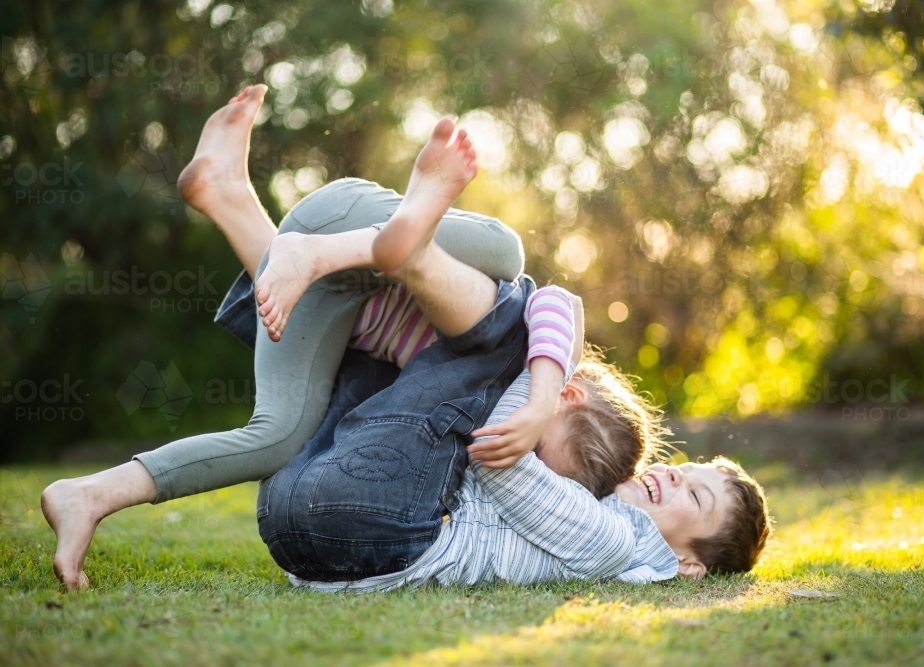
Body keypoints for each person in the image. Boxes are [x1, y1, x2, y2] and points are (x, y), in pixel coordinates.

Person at [39, 85, 666, 589]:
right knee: (510, 256)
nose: (515, 449)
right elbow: (559, 302)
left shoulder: (458, 393)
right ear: (572, 398)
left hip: (331, 298)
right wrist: (534, 406)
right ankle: (377, 237)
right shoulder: (536, 360)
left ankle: (88, 494)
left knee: (275, 438)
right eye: (536, 445)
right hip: (349, 221)